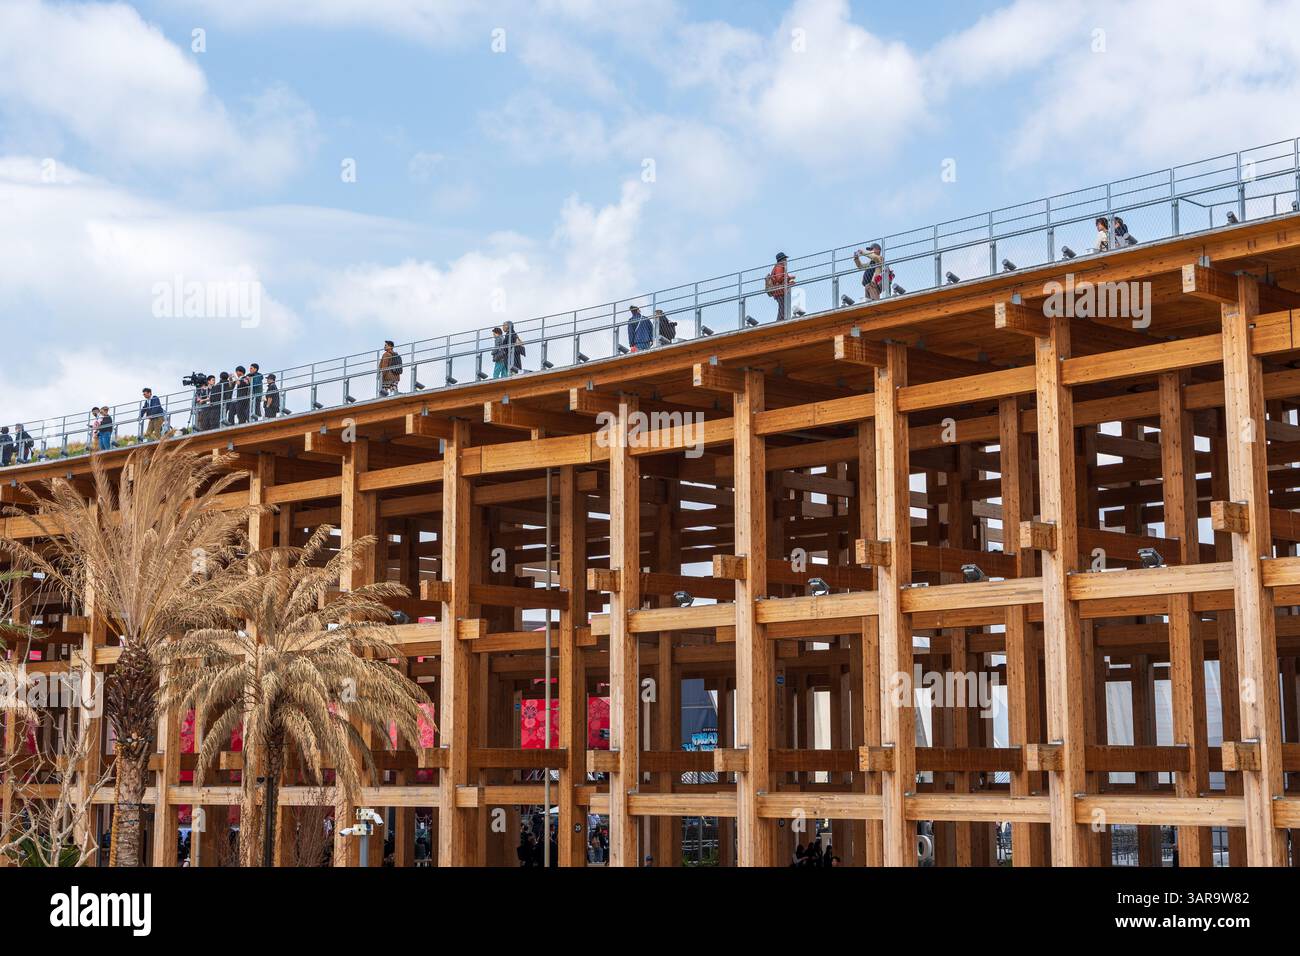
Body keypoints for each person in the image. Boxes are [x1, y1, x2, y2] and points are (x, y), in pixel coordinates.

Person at [766, 252, 795, 321]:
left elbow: (780, 278)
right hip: (780, 291)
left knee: (783, 307)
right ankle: (780, 320)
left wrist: (789, 280)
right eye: (785, 259)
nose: (786, 261)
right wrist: (789, 278)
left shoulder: (779, 267)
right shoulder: (779, 267)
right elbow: (779, 278)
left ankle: (781, 319)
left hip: (779, 291)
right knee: (783, 308)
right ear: (782, 259)